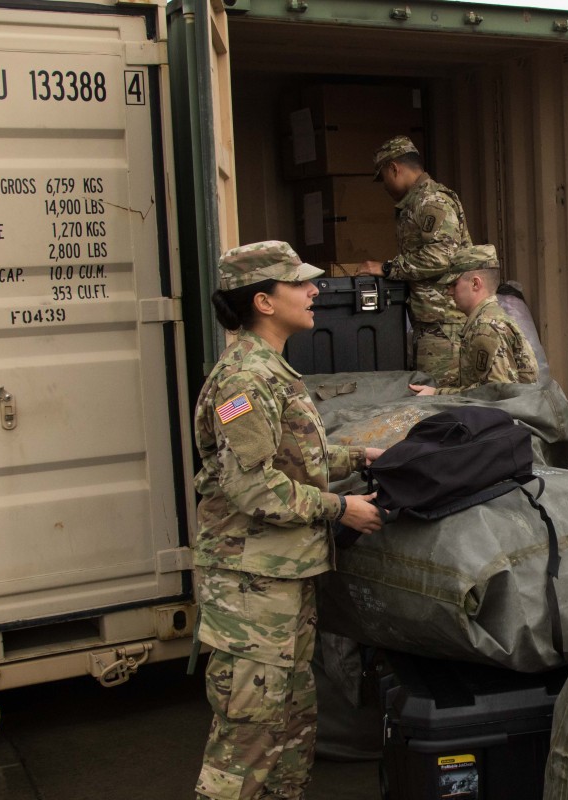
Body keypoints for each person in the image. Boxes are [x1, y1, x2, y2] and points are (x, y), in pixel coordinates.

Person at [191, 241, 385, 800]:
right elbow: (251, 485)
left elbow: (288, 456)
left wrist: (358, 457)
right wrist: (340, 507)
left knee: (290, 734)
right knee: (247, 743)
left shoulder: (272, 371)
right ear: (263, 301)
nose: (314, 290)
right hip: (251, 589)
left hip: (282, 582)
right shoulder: (242, 383)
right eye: (299, 283)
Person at [359, 135, 472, 386]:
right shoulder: (415, 203)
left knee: (440, 407)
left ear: (394, 168)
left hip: (445, 325)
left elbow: (441, 257)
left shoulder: (432, 201)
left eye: (383, 178)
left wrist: (387, 268)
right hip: (431, 324)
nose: (384, 185)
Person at [411, 244, 538, 396]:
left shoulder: (486, 327)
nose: (449, 291)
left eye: (454, 284)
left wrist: (437, 394)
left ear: (475, 284)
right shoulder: (488, 318)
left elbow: (496, 393)